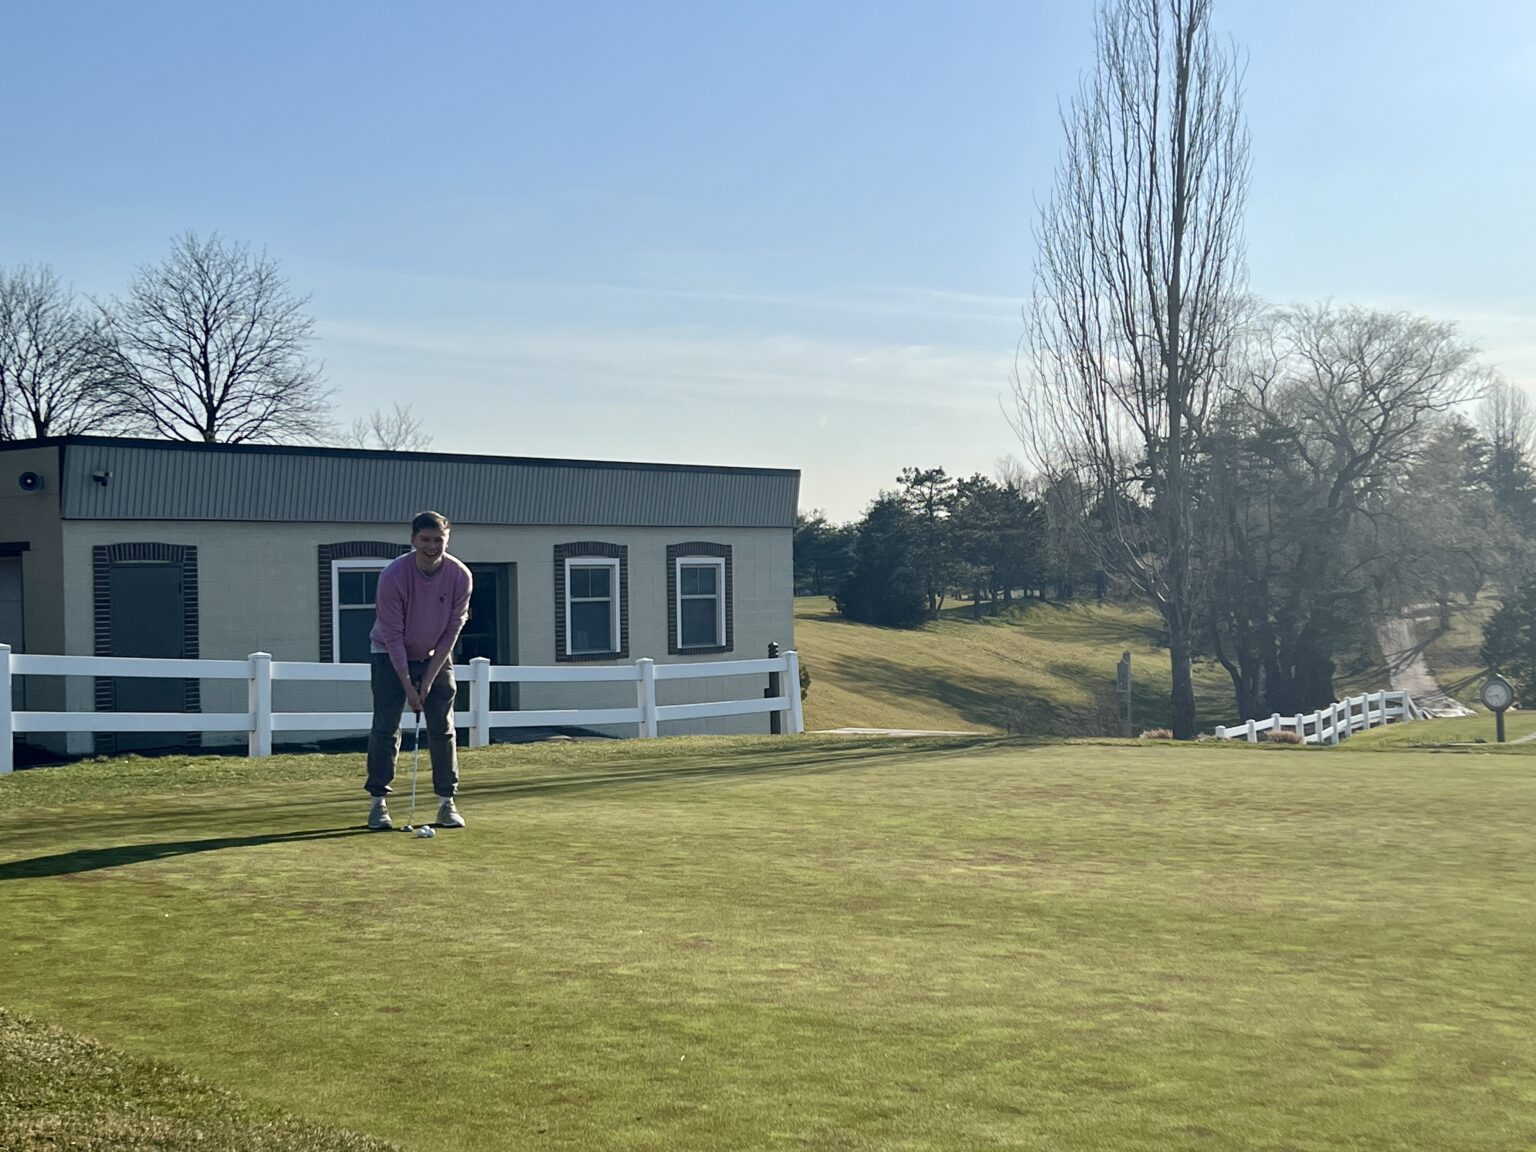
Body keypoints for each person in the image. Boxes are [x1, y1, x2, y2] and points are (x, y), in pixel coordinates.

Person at [365, 511, 473, 830]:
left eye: (438, 540)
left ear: (447, 540)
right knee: (386, 726)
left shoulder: (460, 576)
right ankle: (378, 804)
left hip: (435, 655)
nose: (431, 546)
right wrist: (410, 687)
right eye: (425, 540)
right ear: (413, 540)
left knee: (442, 726)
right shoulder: (393, 576)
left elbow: (453, 629)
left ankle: (446, 802)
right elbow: (392, 635)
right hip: (388, 653)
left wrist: (427, 679)